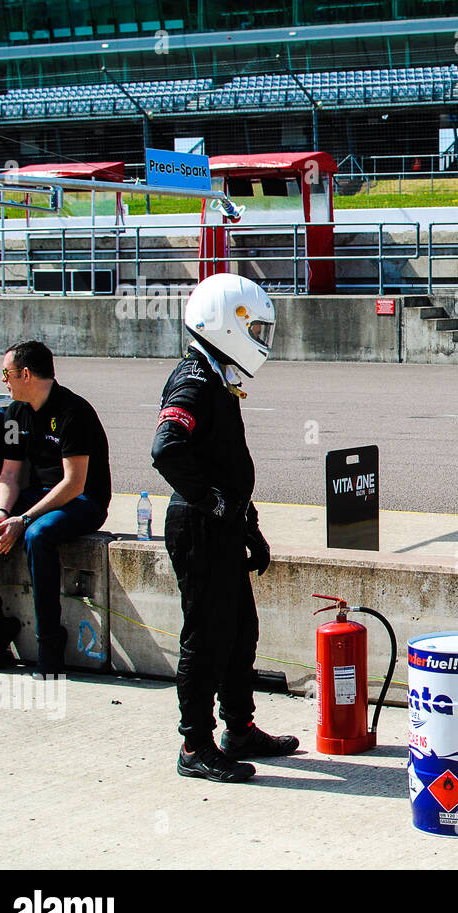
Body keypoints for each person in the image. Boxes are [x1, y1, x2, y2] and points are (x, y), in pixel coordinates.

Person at [151, 273, 297, 784]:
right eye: (253, 328)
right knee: (206, 637)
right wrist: (212, 502)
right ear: (224, 322)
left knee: (239, 632)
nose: (259, 339)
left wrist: (246, 522)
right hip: (198, 526)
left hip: (223, 524)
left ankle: (239, 728)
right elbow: (167, 447)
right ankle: (195, 744)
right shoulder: (194, 379)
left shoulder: (219, 374)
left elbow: (225, 463)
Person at [0, 342, 111, 675]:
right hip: (35, 496)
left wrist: (25, 518)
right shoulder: (15, 414)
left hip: (82, 500)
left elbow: (74, 483)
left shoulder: (74, 412)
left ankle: (50, 643)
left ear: (25, 374)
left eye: (7, 374)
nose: (4, 381)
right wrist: (3, 513)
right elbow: (10, 475)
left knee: (37, 535)